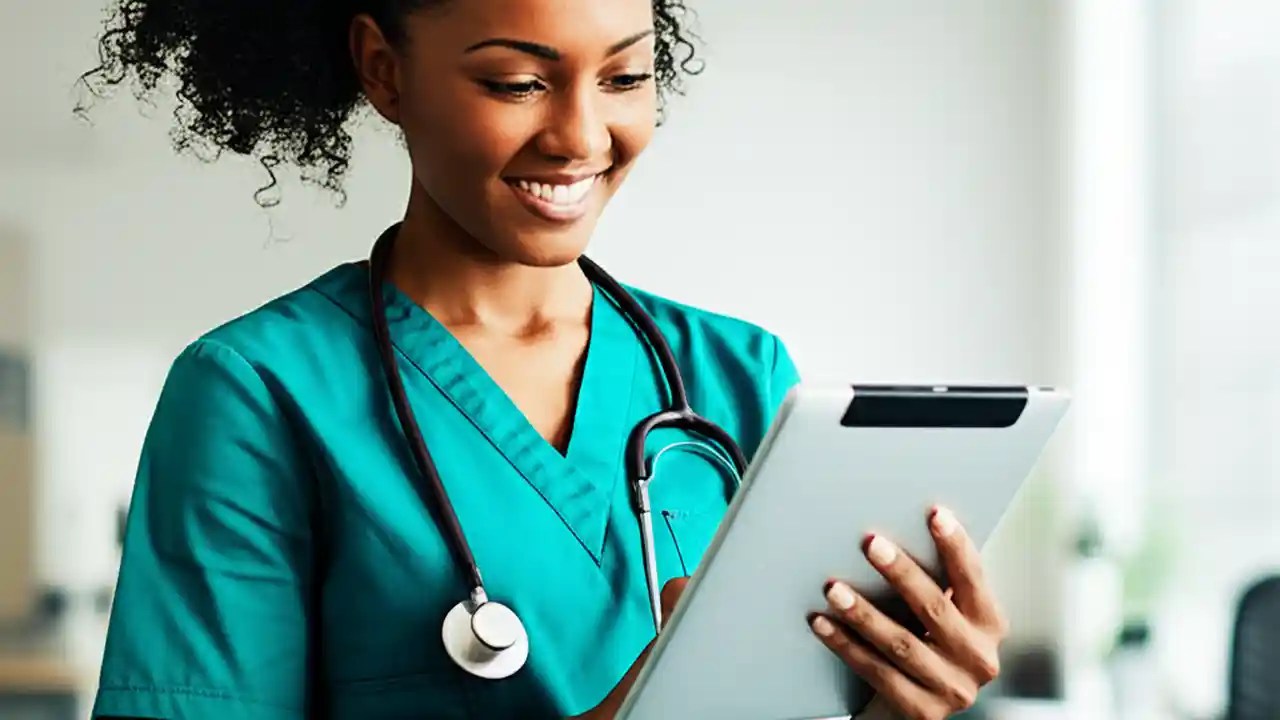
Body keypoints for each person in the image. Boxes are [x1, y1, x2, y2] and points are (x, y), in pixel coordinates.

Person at [78, 0, 1010, 718]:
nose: (580, 137)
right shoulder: (258, 395)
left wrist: (897, 707)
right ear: (384, 70)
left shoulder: (740, 377)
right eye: (518, 82)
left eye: (625, 77)